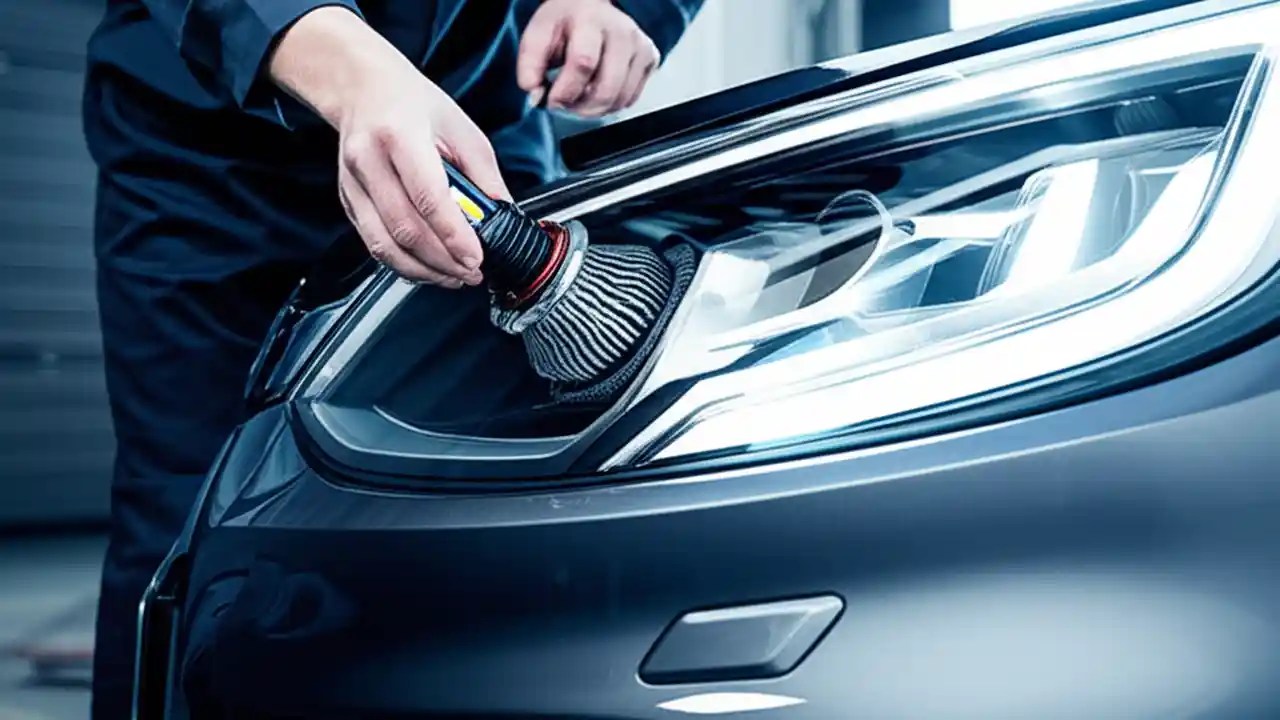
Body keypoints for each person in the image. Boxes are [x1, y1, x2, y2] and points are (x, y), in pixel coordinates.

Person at [82, 0, 703, 716]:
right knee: (191, 512)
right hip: (205, 151)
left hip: (473, 136)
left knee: (494, 528)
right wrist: (350, 69)